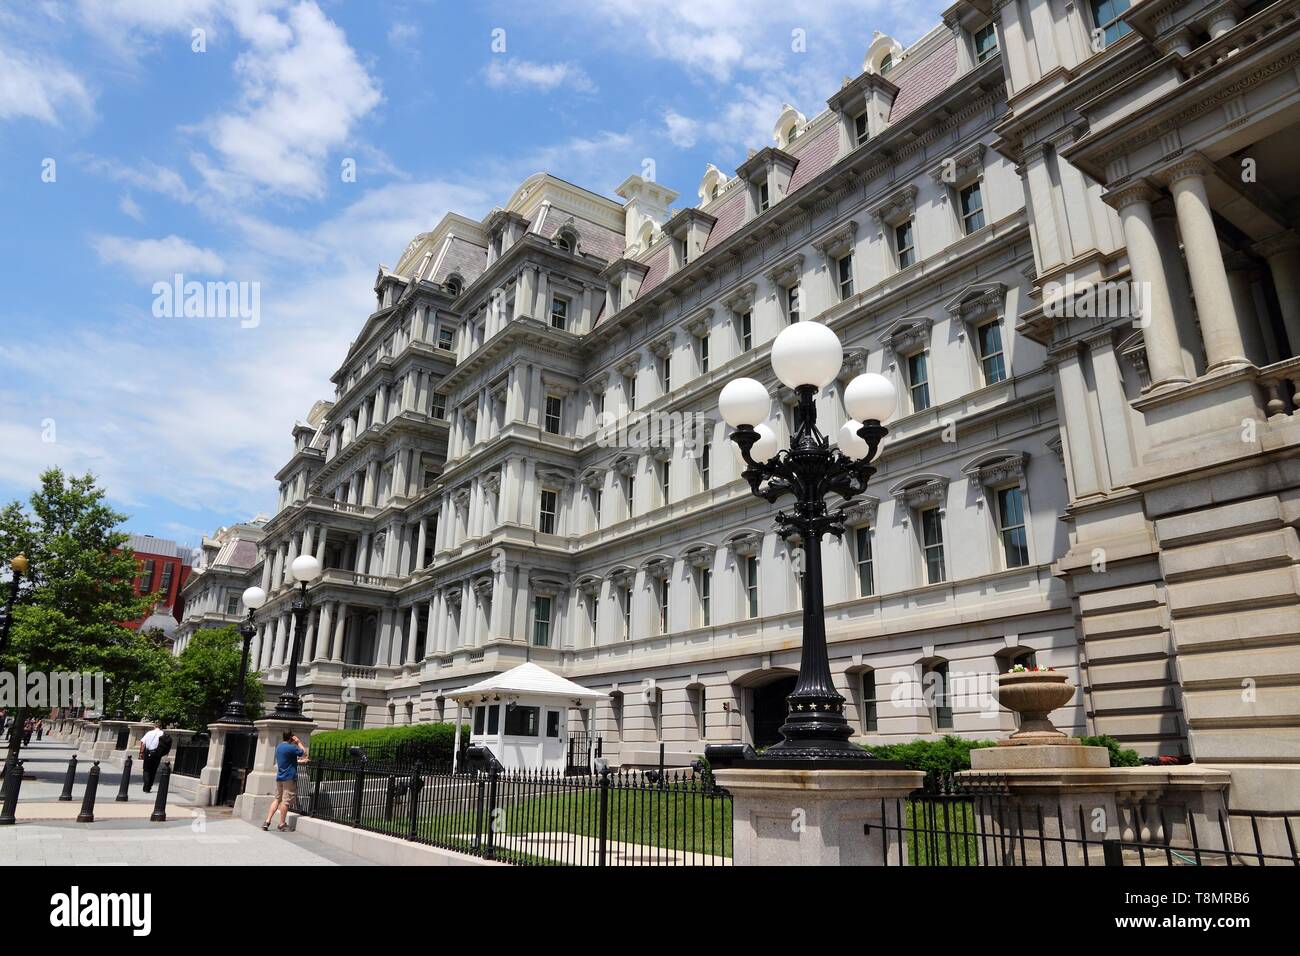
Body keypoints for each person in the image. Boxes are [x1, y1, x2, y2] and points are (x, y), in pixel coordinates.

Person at [263, 731, 307, 832]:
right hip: (289, 778)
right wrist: (298, 742)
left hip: (280, 777)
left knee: (277, 799)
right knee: (285, 801)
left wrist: (299, 762)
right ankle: (282, 823)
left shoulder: (279, 747)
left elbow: (287, 760)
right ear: (291, 738)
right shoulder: (291, 748)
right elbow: (304, 752)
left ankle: (267, 821)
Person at [138, 721, 171, 792]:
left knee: (146, 769)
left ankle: (146, 785)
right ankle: (149, 786)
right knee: (153, 770)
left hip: (148, 752)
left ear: (154, 726)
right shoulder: (163, 734)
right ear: (161, 727)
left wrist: (141, 753)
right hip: (157, 754)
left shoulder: (149, 733)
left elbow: (143, 743)